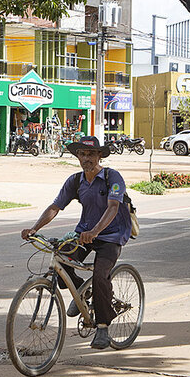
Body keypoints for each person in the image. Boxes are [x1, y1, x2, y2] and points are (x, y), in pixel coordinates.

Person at [21, 136, 132, 350]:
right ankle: (82, 290)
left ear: (99, 155)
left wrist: (95, 231)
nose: (86, 158)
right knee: (61, 261)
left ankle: (102, 326)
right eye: (82, 154)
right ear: (77, 156)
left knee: (100, 275)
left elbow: (113, 207)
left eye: (91, 154)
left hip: (111, 235)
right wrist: (35, 228)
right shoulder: (75, 181)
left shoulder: (112, 177)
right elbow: (55, 207)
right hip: (84, 234)